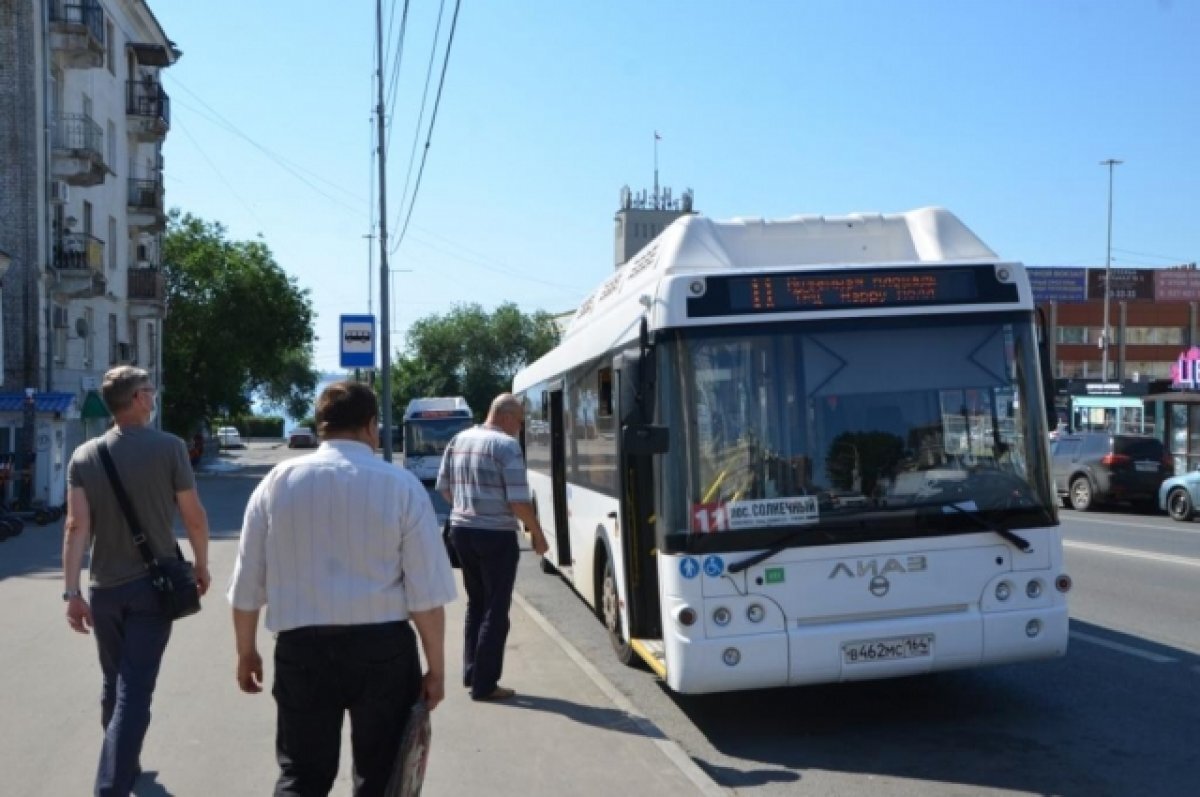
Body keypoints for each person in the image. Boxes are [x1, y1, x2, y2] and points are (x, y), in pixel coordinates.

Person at [228, 381, 456, 796]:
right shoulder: (400, 486)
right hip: (384, 653)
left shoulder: (276, 483)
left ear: (320, 426)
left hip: (302, 650)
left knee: (302, 776)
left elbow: (247, 585)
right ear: (371, 426)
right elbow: (426, 595)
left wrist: (246, 651)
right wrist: (436, 669)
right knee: (384, 776)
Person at [62, 366, 212, 797]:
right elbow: (193, 516)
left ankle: (123, 760)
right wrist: (200, 564)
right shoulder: (170, 448)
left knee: (115, 682)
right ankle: (110, 785)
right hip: (153, 588)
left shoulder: (85, 456)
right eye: (150, 391)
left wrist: (72, 593)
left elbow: (76, 526)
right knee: (135, 688)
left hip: (104, 590)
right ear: (138, 399)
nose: (154, 396)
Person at [437, 393, 548, 702]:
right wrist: (537, 533)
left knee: (477, 603)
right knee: (496, 610)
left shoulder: (458, 440)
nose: (520, 429)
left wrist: (468, 508)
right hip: (495, 536)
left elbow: (444, 488)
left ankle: (472, 671)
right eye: (521, 423)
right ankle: (485, 685)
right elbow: (517, 500)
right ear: (508, 417)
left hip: (461, 531)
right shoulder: (506, 447)